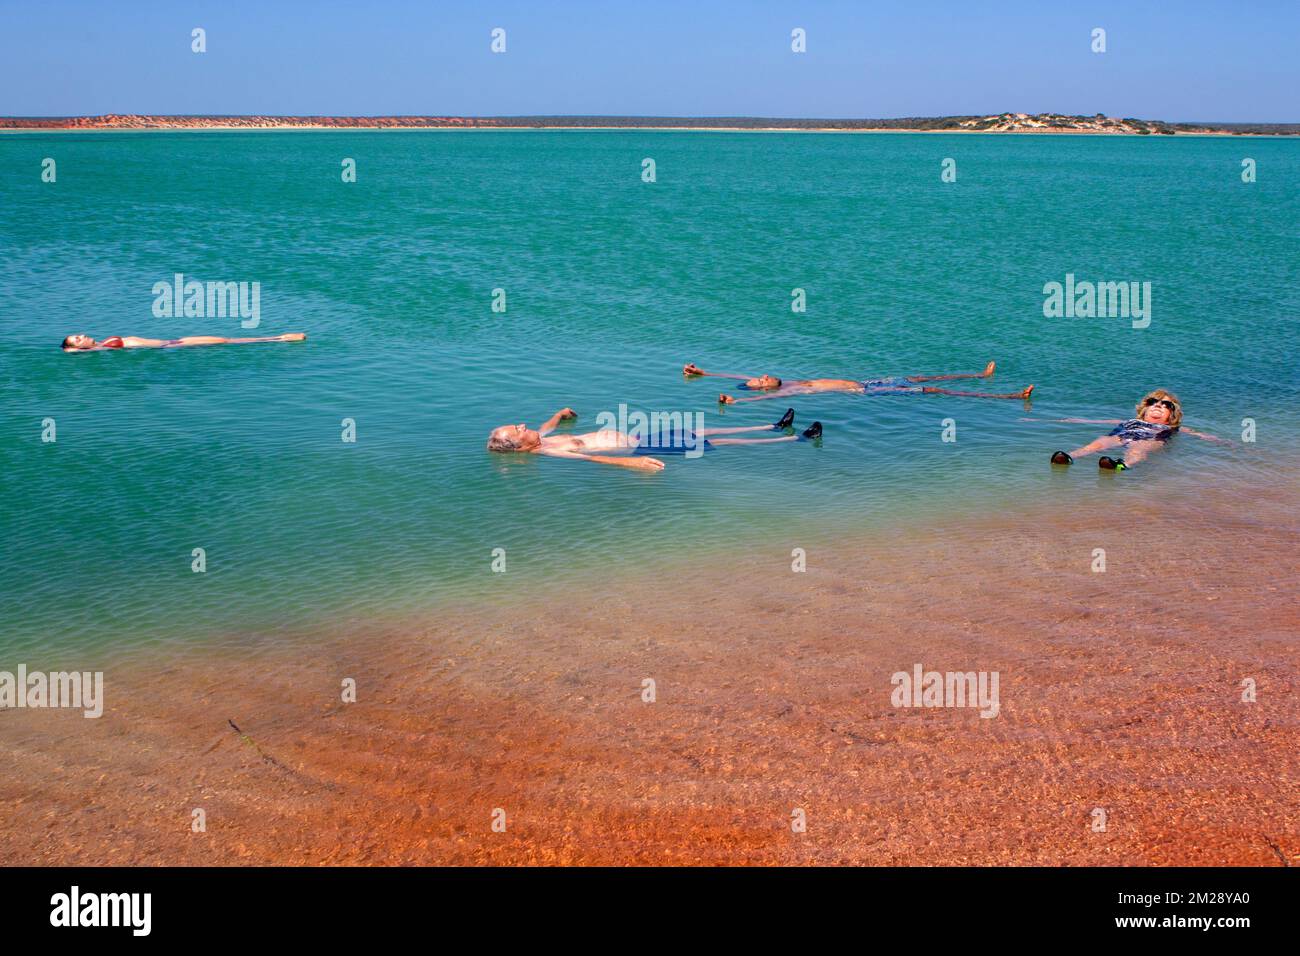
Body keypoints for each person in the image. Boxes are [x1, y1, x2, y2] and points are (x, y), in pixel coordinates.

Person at [486, 407, 821, 471]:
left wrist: (560, 414)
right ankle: (795, 441)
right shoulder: (549, 454)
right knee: (713, 443)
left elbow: (545, 424)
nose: (522, 424)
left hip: (636, 435)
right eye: (517, 430)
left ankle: (771, 427)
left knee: (700, 430)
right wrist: (633, 462)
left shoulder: (542, 438)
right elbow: (593, 458)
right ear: (519, 446)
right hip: (640, 447)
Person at [1042, 389, 1227, 470]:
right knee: (1098, 443)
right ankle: (1069, 457)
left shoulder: (1173, 427)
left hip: (1152, 438)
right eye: (1153, 402)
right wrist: (1068, 420)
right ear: (1144, 408)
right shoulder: (1128, 421)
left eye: (1165, 405)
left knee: (1138, 449)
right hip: (1123, 434)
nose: (1158, 406)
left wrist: (1224, 443)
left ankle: (1124, 465)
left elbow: (1201, 435)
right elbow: (1093, 420)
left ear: (1172, 415)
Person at [682, 361, 1033, 403]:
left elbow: (738, 376)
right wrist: (734, 402)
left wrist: (703, 373)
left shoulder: (787, 380)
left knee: (919, 375)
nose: (761, 375)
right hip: (865, 391)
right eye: (760, 380)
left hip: (867, 381)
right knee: (930, 389)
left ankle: (979, 374)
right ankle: (1010, 396)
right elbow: (751, 395)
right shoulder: (785, 390)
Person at [61, 332, 307, 351]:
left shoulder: (103, 343)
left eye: (78, 334)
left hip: (173, 341)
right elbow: (68, 353)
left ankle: (279, 338)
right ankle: (279, 339)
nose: (82, 337)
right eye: (77, 340)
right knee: (225, 342)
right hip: (171, 347)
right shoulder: (98, 350)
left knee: (225, 339)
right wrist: (70, 349)